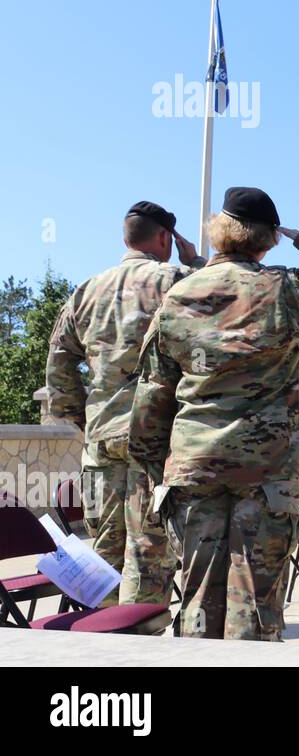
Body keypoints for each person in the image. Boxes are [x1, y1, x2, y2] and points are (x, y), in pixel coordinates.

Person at [128, 187, 299, 640]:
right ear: (267, 240)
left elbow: (152, 400)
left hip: (194, 468)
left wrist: (158, 473)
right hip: (267, 474)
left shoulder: (179, 296)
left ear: (218, 233)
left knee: (197, 603)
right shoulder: (288, 288)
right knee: (257, 602)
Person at [45, 200, 204, 607]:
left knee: (103, 551)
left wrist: (84, 419)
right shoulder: (176, 279)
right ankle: (138, 644)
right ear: (166, 238)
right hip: (154, 439)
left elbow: (59, 362)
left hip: (102, 438)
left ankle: (99, 641)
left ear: (125, 237)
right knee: (149, 554)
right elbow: (218, 314)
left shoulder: (86, 290)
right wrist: (199, 263)